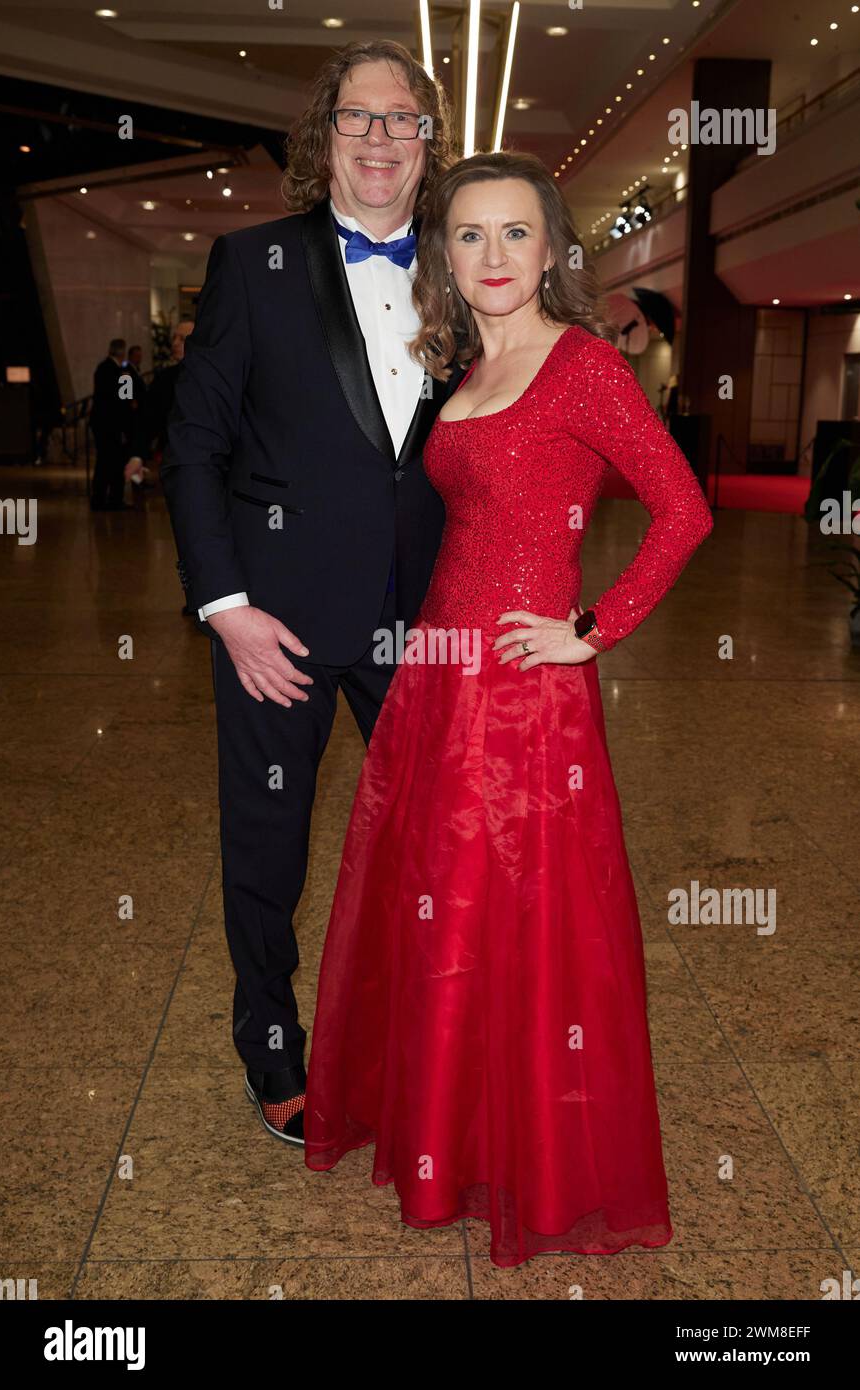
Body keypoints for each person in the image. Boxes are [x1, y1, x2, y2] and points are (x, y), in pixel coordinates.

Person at [302, 150, 714, 1268]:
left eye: (515, 233)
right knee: (436, 907)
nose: (491, 255)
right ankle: (445, 1128)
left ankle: (520, 1150)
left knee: (516, 924)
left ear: (552, 250)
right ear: (444, 253)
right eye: (469, 235)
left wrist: (589, 628)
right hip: (439, 675)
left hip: (524, 702)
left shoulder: (580, 365)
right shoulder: (465, 367)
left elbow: (682, 510)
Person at [160, 41, 460, 1143]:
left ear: (429, 145)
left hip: (420, 625)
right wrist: (225, 607)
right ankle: (272, 1047)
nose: (380, 140)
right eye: (359, 119)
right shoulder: (253, 261)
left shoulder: (465, 267)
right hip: (274, 622)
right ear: (323, 137)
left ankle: (414, 1038)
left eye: (403, 121)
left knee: (431, 844)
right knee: (268, 847)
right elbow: (192, 447)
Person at [125, 320, 194, 494]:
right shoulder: (164, 379)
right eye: (174, 338)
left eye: (182, 339)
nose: (175, 343)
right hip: (177, 467)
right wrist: (137, 455)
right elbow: (148, 417)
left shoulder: (219, 379)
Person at [89, 337, 131, 510]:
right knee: (114, 461)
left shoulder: (102, 368)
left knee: (104, 462)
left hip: (101, 422)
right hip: (112, 424)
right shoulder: (121, 372)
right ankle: (114, 499)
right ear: (122, 352)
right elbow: (124, 400)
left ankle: (100, 499)